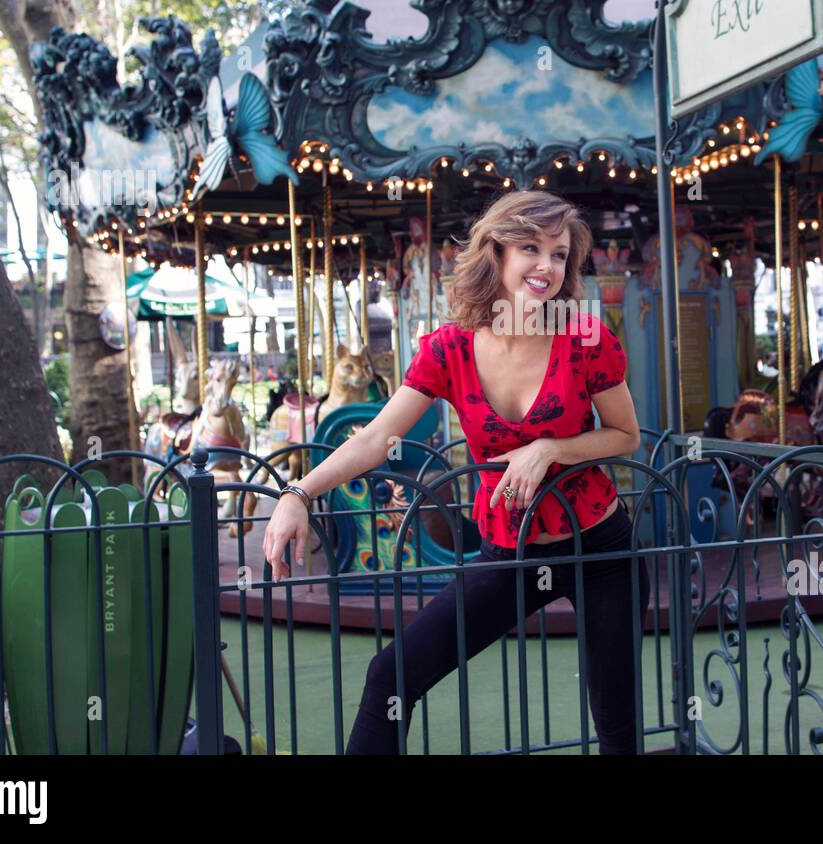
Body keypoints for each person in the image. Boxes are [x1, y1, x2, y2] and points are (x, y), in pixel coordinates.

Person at [262, 190, 649, 754]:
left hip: (600, 550)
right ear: (495, 251)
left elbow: (626, 436)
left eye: (560, 254)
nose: (547, 265)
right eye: (530, 247)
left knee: (617, 723)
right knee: (391, 675)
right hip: (510, 549)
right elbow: (375, 438)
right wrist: (299, 490)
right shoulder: (452, 348)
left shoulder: (586, 339)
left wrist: (548, 448)